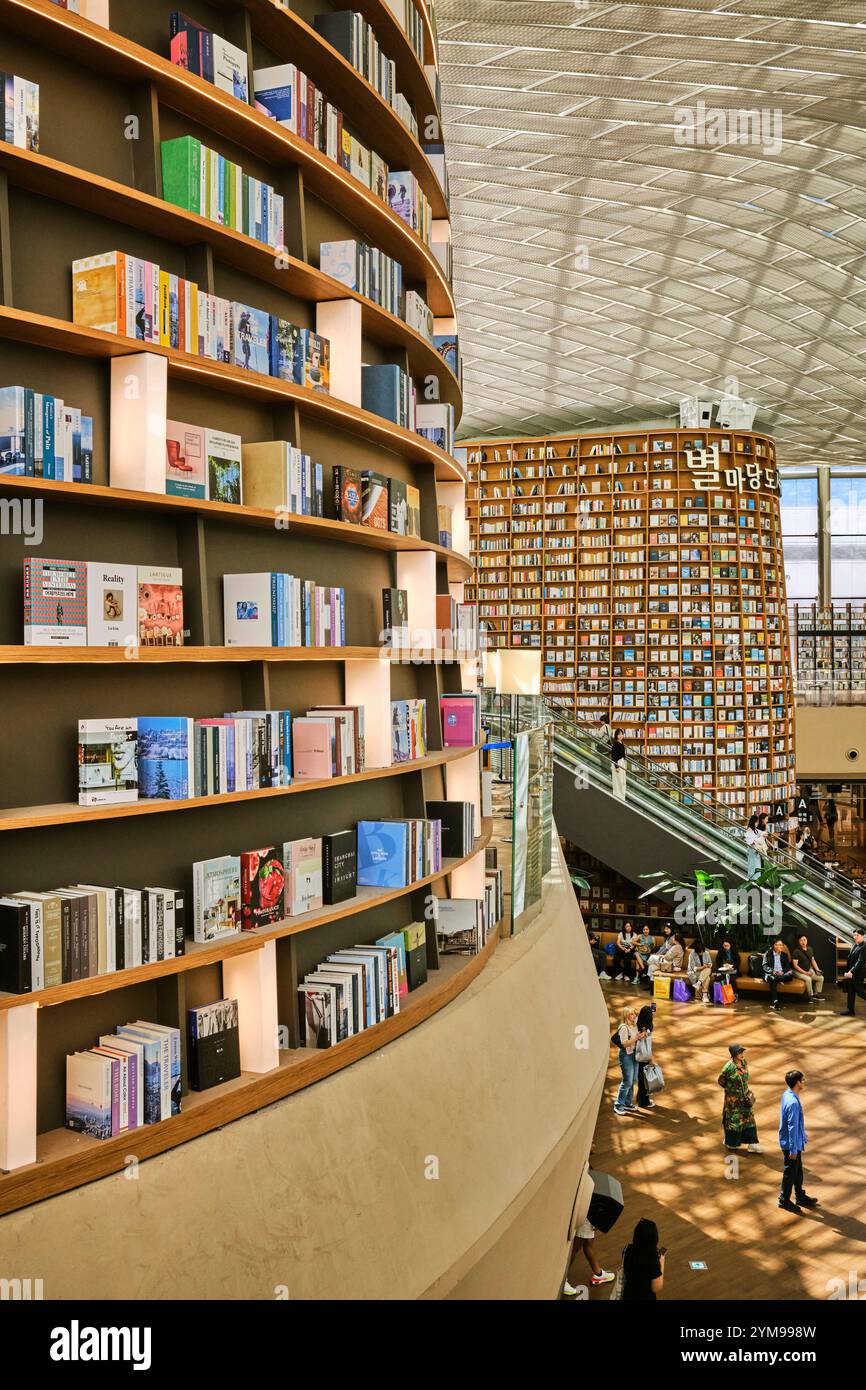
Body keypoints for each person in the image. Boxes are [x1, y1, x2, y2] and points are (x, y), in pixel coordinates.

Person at [778, 1070, 819, 1213]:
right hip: (791, 1144)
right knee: (790, 1173)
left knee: (797, 1171)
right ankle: (784, 1200)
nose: (804, 1082)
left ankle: (799, 1195)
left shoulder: (787, 1094)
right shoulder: (793, 1103)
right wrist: (793, 1149)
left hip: (793, 1141)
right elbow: (792, 1127)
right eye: (803, 1080)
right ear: (798, 1083)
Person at [718, 1043, 763, 1153]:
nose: (742, 1054)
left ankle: (752, 1143)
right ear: (734, 1054)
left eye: (742, 1052)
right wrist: (732, 1091)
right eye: (740, 1052)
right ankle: (732, 1142)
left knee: (749, 1119)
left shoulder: (744, 1062)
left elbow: (745, 1078)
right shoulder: (728, 1067)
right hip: (733, 1101)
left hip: (745, 1098)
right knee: (734, 1121)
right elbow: (721, 1081)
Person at [563, 1218, 616, 1294]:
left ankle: (598, 1273)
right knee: (578, 1245)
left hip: (587, 1213)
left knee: (587, 1242)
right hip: (587, 1214)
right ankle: (562, 1280)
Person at [619, 1218, 665, 1300]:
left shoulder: (627, 1249)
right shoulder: (652, 1260)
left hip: (628, 1294)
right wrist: (661, 1262)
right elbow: (656, 1288)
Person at [613, 1006, 645, 1117]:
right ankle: (618, 1105)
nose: (634, 1016)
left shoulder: (635, 1026)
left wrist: (640, 1036)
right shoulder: (623, 1027)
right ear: (627, 1016)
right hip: (626, 1056)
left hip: (634, 1054)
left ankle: (627, 1103)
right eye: (632, 1014)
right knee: (627, 1081)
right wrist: (636, 1038)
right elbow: (624, 1043)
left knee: (633, 1080)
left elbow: (635, 1040)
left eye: (634, 1014)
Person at [838, 925, 866, 1016]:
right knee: (851, 993)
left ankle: (850, 1010)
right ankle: (850, 1010)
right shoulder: (855, 945)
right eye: (854, 935)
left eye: (857, 935)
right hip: (851, 974)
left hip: (857, 974)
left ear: (862, 936)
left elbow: (860, 962)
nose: (855, 937)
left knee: (861, 993)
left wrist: (851, 971)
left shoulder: (864, 947)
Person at [635, 1000, 657, 1109]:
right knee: (645, 1081)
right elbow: (647, 1046)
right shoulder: (646, 1031)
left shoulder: (637, 1024)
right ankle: (644, 1102)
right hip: (644, 1057)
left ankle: (640, 1098)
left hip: (638, 1056)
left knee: (640, 1079)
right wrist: (651, 1059)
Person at [763, 937, 794, 1010]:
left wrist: (782, 972)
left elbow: (787, 967)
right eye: (778, 945)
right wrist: (773, 971)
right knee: (773, 978)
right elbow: (764, 966)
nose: (780, 946)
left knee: (790, 975)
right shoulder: (768, 953)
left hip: (781, 974)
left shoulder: (784, 955)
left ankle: (777, 979)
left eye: (781, 945)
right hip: (771, 973)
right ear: (774, 945)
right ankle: (775, 1002)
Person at [790, 933, 824, 999]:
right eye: (801, 940)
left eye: (804, 940)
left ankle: (815, 995)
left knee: (820, 978)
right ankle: (809, 996)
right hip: (796, 971)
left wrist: (817, 970)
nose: (803, 942)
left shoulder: (810, 949)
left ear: (807, 940)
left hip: (808, 970)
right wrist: (805, 973)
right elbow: (795, 965)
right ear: (798, 942)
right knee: (808, 979)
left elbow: (813, 960)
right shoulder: (796, 951)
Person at [687, 938, 713, 1005]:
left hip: (705, 971)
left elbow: (710, 962)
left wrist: (709, 965)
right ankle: (705, 996)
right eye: (700, 952)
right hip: (695, 972)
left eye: (702, 951)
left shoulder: (706, 953)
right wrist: (702, 967)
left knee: (708, 969)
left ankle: (698, 983)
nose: (702, 953)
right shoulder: (692, 954)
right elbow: (693, 968)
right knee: (707, 978)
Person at [745, 813, 768, 880]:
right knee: (753, 865)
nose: (757, 824)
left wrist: (763, 834)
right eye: (756, 822)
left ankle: (757, 878)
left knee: (757, 865)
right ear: (753, 822)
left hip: (756, 851)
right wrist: (759, 839)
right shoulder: (749, 829)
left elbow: (762, 833)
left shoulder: (755, 830)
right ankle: (752, 878)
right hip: (752, 850)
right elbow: (750, 841)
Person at [611, 727, 627, 802]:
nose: (620, 736)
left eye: (622, 734)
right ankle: (618, 797)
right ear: (616, 735)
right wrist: (616, 766)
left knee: (623, 781)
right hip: (617, 764)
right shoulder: (615, 744)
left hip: (622, 763)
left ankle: (622, 797)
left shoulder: (621, 743)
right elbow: (613, 756)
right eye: (619, 734)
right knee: (618, 781)